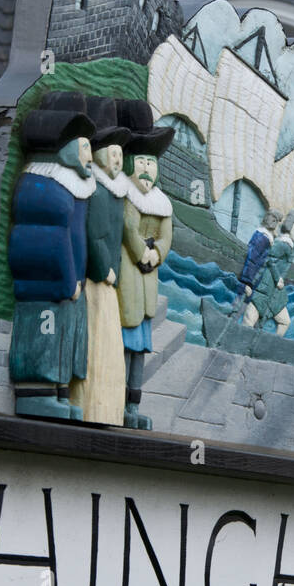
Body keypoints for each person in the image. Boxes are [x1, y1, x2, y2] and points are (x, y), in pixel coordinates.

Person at [7, 93, 95, 421]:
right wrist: (64, 281)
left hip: (69, 284)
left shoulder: (69, 186)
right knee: (44, 335)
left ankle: (59, 390)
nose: (91, 155)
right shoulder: (45, 184)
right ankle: (35, 393)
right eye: (85, 147)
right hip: (48, 287)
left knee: (64, 339)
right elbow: (48, 240)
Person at [68, 96, 132, 426]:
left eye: (121, 154)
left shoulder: (114, 191)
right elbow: (93, 234)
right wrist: (103, 268)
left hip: (110, 280)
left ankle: (109, 408)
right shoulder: (93, 188)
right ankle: (93, 407)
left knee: (110, 348)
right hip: (97, 282)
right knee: (96, 343)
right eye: (113, 152)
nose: (118, 159)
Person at [115, 99, 175, 430]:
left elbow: (167, 235)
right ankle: (116, 397)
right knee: (124, 341)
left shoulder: (162, 203)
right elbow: (126, 226)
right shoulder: (125, 194)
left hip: (147, 282)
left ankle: (133, 403)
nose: (147, 169)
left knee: (140, 346)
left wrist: (158, 253)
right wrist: (141, 252)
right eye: (141, 161)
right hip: (128, 277)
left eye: (151, 163)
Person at [243, 210, 294, 336]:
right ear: (292, 227)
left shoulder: (287, 244)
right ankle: (246, 338)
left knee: (284, 321)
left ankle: (270, 343)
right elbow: (269, 258)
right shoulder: (283, 244)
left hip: (274, 292)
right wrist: (277, 278)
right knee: (250, 318)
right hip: (267, 288)